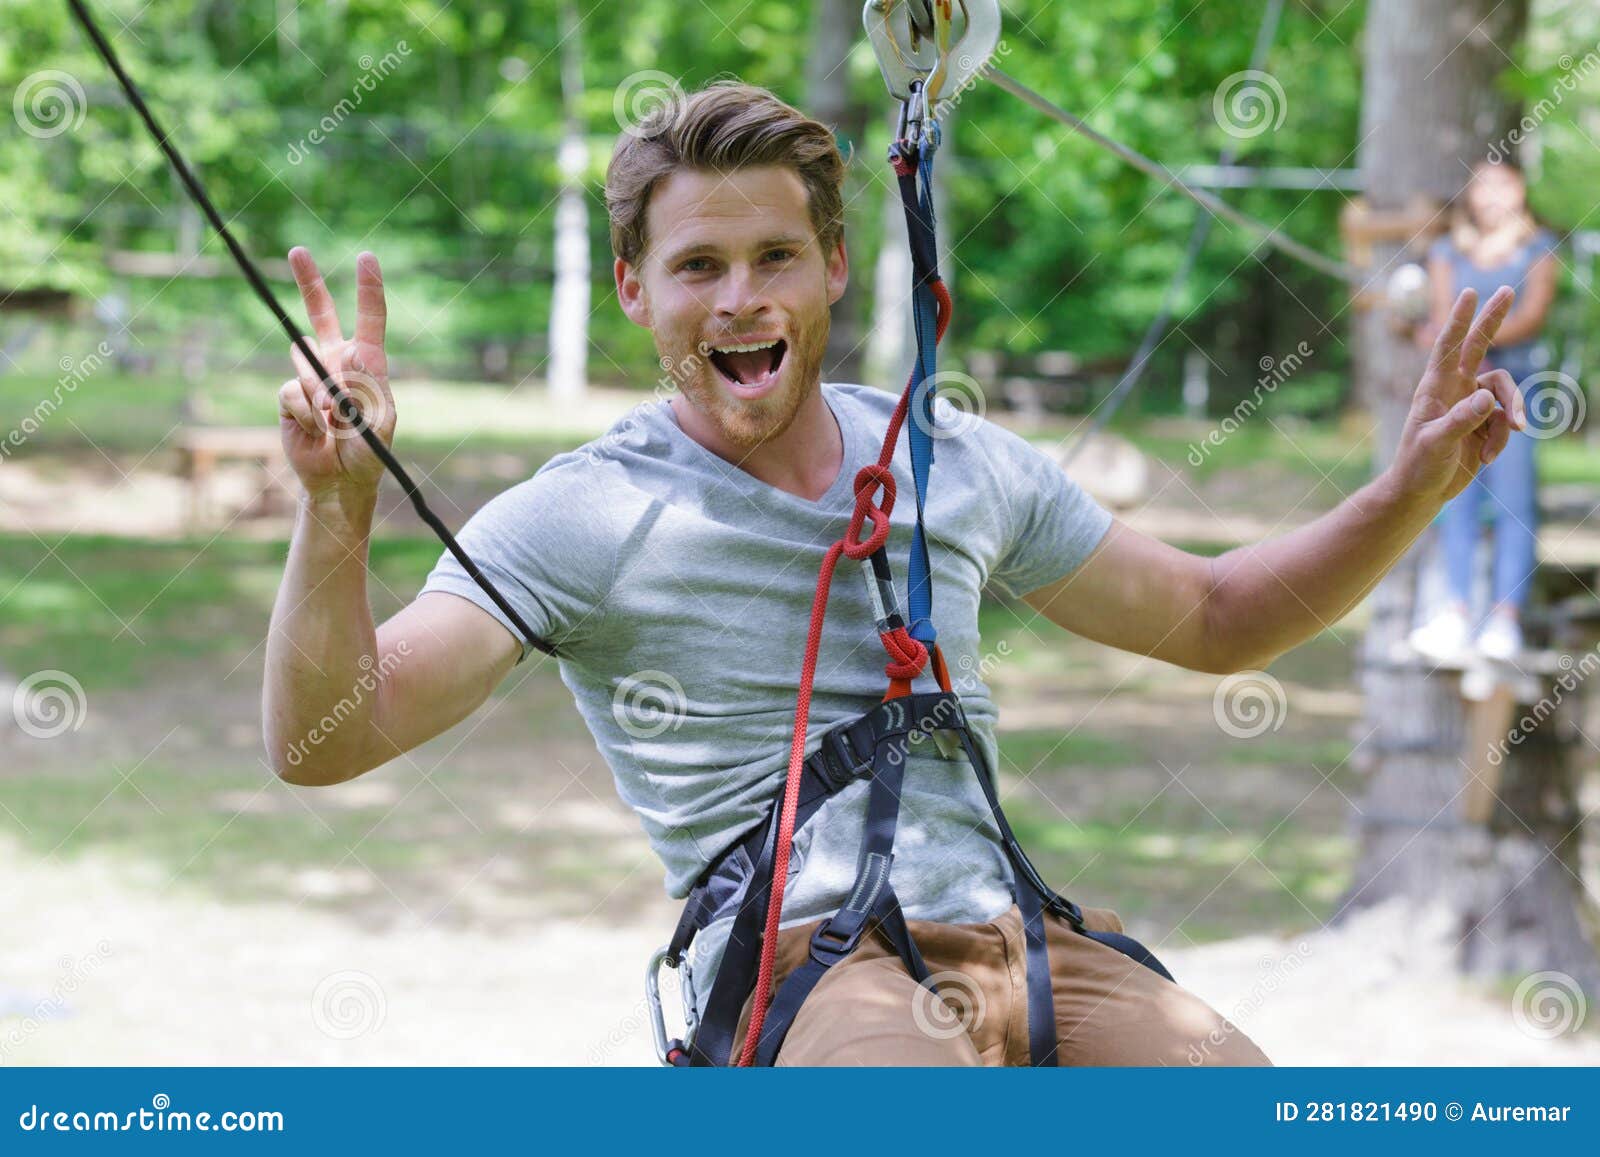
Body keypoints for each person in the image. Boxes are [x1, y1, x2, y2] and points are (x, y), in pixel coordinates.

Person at [263, 82, 1525, 1066]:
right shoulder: (580, 514)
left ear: (832, 269)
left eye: (774, 257)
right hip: (808, 966)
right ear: (633, 289)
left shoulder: (953, 461)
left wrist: (1401, 491)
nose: (740, 298)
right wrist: (335, 510)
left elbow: (1214, 615)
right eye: (698, 266)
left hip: (1031, 945)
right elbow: (331, 735)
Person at [1408, 160, 1558, 663]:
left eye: (1502, 184)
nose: (1491, 196)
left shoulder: (1538, 250)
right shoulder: (1448, 250)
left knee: (1515, 501)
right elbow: (1441, 311)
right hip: (1464, 388)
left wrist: (1473, 345)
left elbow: (1532, 316)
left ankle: (1504, 618)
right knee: (1457, 496)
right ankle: (1455, 610)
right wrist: (1463, 352)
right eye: (1482, 186)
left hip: (1521, 388)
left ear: (1519, 191)